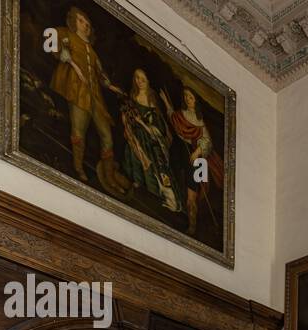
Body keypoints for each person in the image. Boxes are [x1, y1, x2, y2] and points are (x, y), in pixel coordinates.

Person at [47, 5, 131, 195]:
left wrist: (111, 86)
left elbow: (100, 75)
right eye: (81, 21)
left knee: (107, 137)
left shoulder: (92, 52)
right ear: (73, 21)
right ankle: (78, 169)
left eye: (87, 23)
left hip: (95, 97)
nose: (85, 25)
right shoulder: (66, 35)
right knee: (79, 132)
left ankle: (109, 177)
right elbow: (50, 41)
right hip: (77, 91)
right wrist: (63, 54)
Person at [160, 86, 225, 236]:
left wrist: (197, 151)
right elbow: (173, 118)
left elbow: (207, 141)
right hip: (182, 152)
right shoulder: (181, 114)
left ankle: (193, 224)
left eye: (190, 97)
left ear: (195, 100)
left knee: (194, 191)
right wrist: (166, 103)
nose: (187, 99)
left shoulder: (199, 120)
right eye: (185, 96)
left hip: (197, 159)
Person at [119, 69, 181, 213]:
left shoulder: (153, 99)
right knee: (140, 167)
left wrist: (149, 127)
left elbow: (160, 125)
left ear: (148, 81)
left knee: (159, 171)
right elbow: (128, 117)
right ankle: (144, 198)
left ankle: (166, 201)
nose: (139, 82)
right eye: (137, 78)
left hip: (153, 141)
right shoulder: (132, 97)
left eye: (142, 79)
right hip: (138, 139)